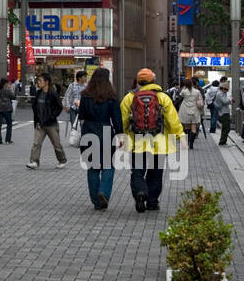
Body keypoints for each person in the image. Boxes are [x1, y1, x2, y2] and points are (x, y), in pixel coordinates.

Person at [120, 68, 184, 212]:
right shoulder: (163, 97)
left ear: (138, 81)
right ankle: (152, 202)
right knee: (156, 173)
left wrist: (122, 136)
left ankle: (140, 192)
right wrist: (180, 135)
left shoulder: (129, 98)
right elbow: (172, 120)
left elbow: (123, 120)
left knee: (137, 171)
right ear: (153, 81)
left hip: (137, 141)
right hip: (159, 142)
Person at [78, 68, 122, 210]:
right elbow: (116, 118)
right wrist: (120, 135)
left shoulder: (85, 95)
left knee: (93, 167)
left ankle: (96, 201)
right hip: (106, 131)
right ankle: (103, 192)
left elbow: (82, 115)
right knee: (108, 165)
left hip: (89, 130)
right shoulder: (111, 96)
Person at [26, 72, 67, 169]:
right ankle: (34, 161)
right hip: (40, 123)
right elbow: (35, 106)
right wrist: (37, 119)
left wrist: (52, 116)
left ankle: (62, 160)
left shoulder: (53, 94)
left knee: (57, 144)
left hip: (51, 124)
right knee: (36, 143)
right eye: (38, 81)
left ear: (46, 82)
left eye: (40, 81)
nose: (38, 83)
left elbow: (59, 107)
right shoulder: (38, 93)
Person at [175, 76, 205, 149]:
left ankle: (188, 142)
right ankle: (191, 143)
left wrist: (185, 87)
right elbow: (200, 99)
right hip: (195, 110)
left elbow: (180, 95)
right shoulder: (197, 91)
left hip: (185, 109)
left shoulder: (184, 91)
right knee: (194, 128)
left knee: (187, 127)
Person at [63, 71, 87, 142]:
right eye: (84, 77)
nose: (86, 78)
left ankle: (83, 140)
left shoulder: (86, 86)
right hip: (73, 108)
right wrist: (67, 106)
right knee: (74, 125)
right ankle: (74, 139)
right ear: (79, 78)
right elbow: (67, 95)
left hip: (83, 108)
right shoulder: (72, 85)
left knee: (83, 124)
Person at [0, 76, 15, 144]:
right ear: (5, 83)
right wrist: (10, 88)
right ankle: (8, 139)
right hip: (7, 109)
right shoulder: (7, 90)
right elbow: (13, 96)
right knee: (9, 124)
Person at [212, 79, 233, 145]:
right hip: (223, 113)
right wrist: (230, 100)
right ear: (223, 88)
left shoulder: (222, 93)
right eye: (226, 89)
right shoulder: (220, 94)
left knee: (226, 127)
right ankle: (222, 141)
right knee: (226, 127)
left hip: (224, 112)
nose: (227, 91)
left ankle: (223, 140)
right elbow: (225, 101)